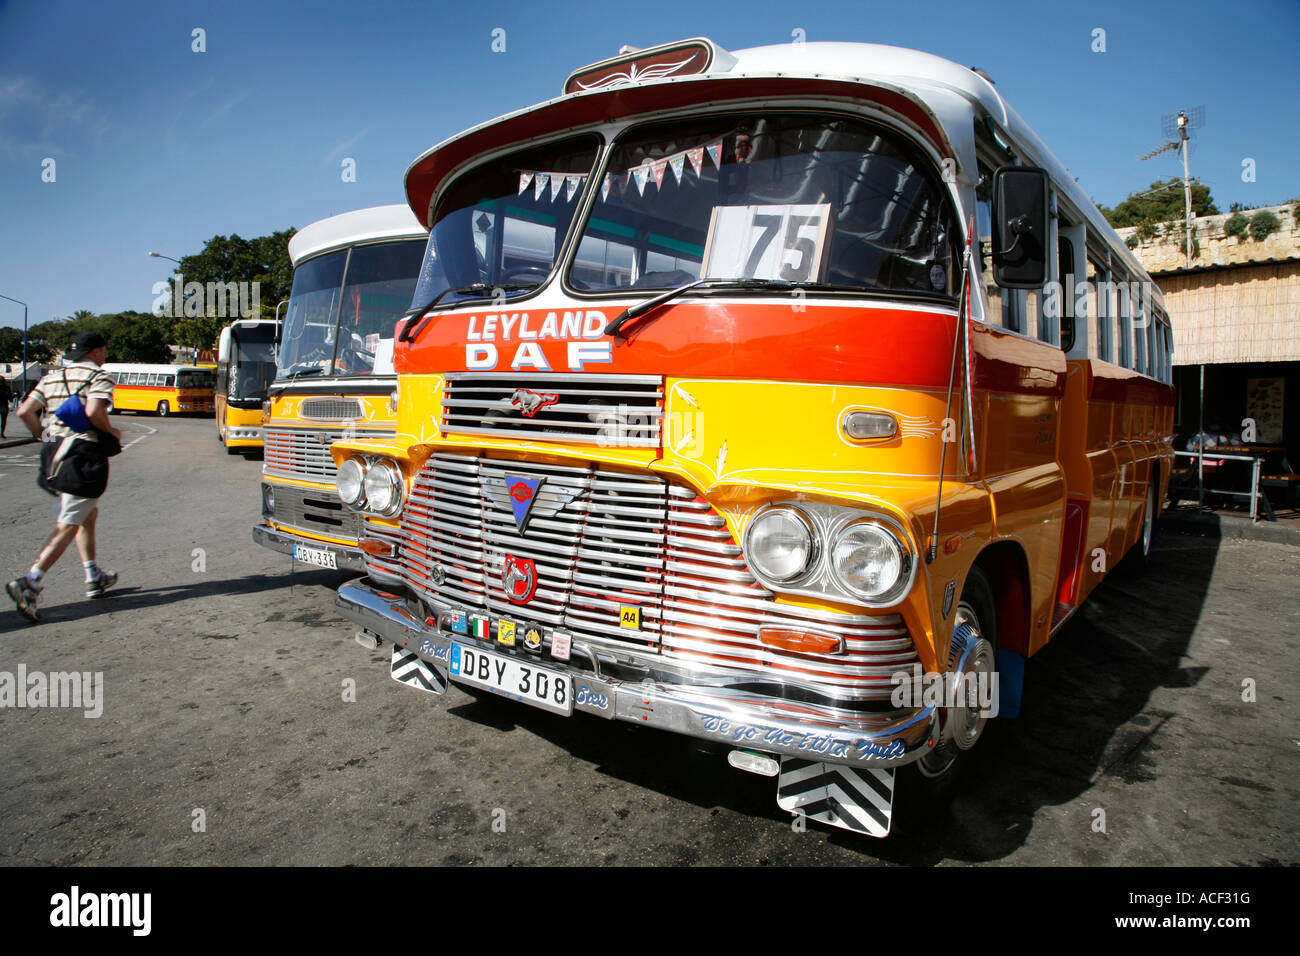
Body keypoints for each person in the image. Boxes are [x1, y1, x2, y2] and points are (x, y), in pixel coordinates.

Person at [6, 332, 121, 623]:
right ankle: (30, 582)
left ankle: (93, 574)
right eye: (102, 351)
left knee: (86, 514)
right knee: (69, 523)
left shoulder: (52, 377)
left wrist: (45, 436)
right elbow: (94, 410)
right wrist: (111, 432)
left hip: (54, 455)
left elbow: (24, 411)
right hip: (83, 457)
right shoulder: (99, 376)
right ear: (96, 352)